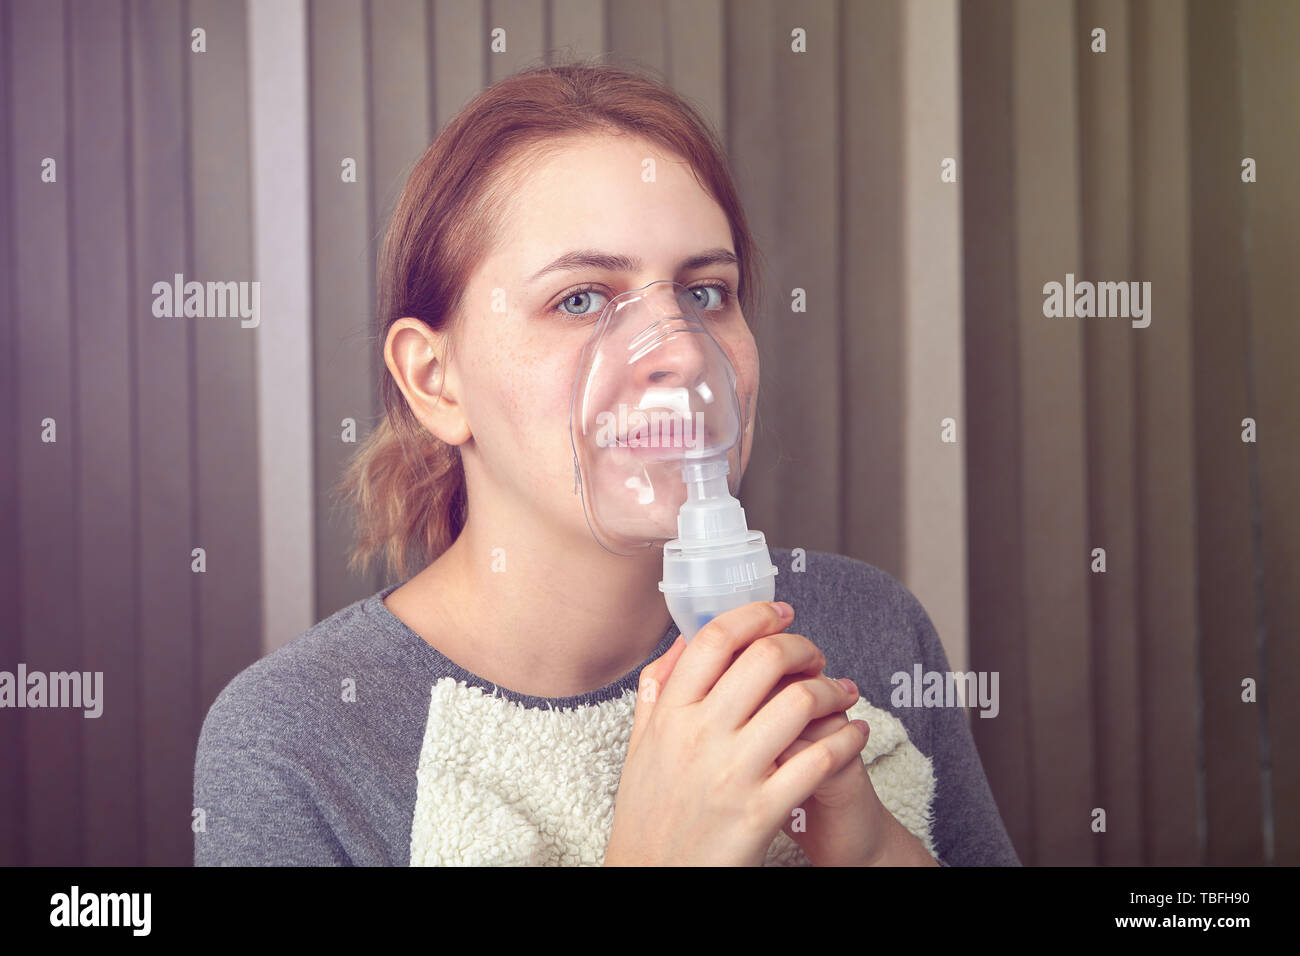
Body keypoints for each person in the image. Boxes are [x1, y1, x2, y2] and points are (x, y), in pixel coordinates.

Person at [193, 60, 1020, 867]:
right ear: (434, 380)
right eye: (581, 299)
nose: (683, 357)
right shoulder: (298, 743)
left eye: (704, 293)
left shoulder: (866, 630)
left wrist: (875, 851)